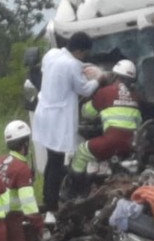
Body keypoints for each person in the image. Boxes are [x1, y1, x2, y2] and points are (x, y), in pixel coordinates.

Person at [31, 31, 101, 215]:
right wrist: (99, 80)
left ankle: (48, 199)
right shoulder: (72, 65)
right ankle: (53, 205)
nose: (84, 57)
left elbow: (54, 71)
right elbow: (84, 90)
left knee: (51, 161)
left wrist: (82, 65)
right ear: (79, 51)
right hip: (58, 119)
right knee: (56, 162)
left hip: (45, 114)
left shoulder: (52, 55)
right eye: (84, 53)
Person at [65, 59, 143, 198]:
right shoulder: (136, 96)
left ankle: (76, 189)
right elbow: (138, 121)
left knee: (81, 152)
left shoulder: (106, 92)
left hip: (111, 142)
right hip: (131, 144)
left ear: (115, 76)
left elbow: (86, 113)